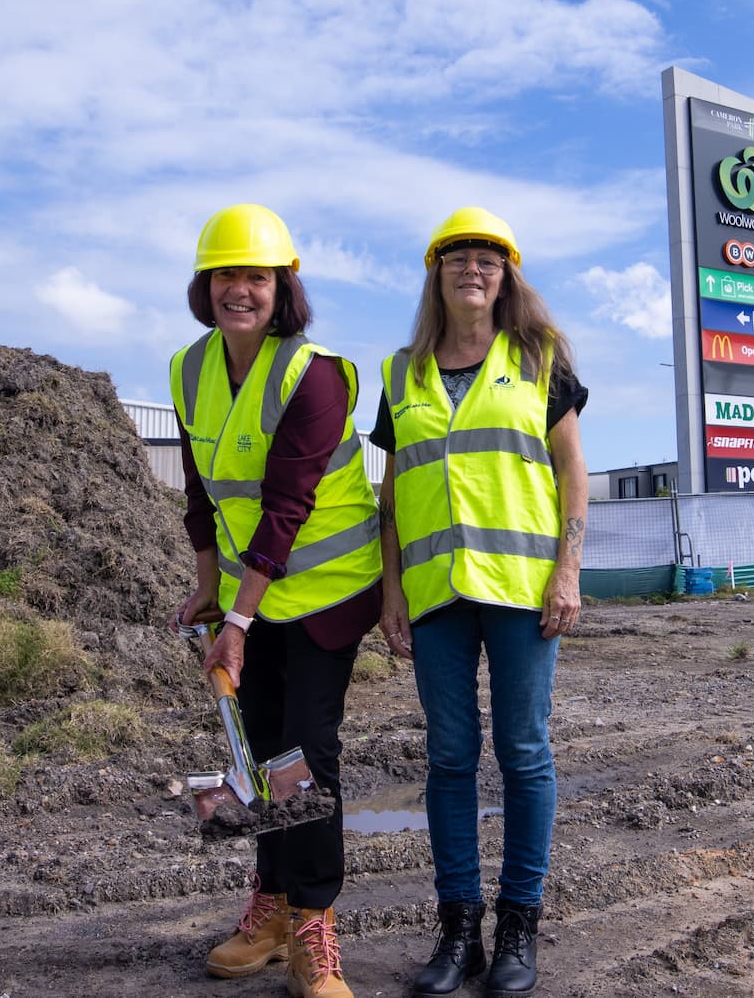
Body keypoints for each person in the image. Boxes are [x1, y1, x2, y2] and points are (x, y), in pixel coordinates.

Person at [370, 207, 588, 998]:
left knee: (524, 754)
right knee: (450, 760)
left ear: (507, 276)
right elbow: (390, 499)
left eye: (488, 258)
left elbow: (572, 474)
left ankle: (518, 926)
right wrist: (389, 589)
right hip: (435, 597)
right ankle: (458, 928)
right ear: (437, 273)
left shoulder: (538, 359)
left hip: (524, 593)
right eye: (457, 256)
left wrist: (567, 572)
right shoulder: (402, 374)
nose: (473, 268)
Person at [169, 203, 382, 998]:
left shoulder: (315, 372)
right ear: (206, 285)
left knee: (305, 753)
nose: (239, 290)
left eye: (255, 276)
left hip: (326, 594)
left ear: (282, 286)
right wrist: (205, 586)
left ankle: (315, 930)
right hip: (247, 600)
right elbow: (201, 489)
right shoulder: (189, 370)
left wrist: (236, 620)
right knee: (257, 757)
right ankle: (272, 908)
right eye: (225, 274)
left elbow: (288, 504)